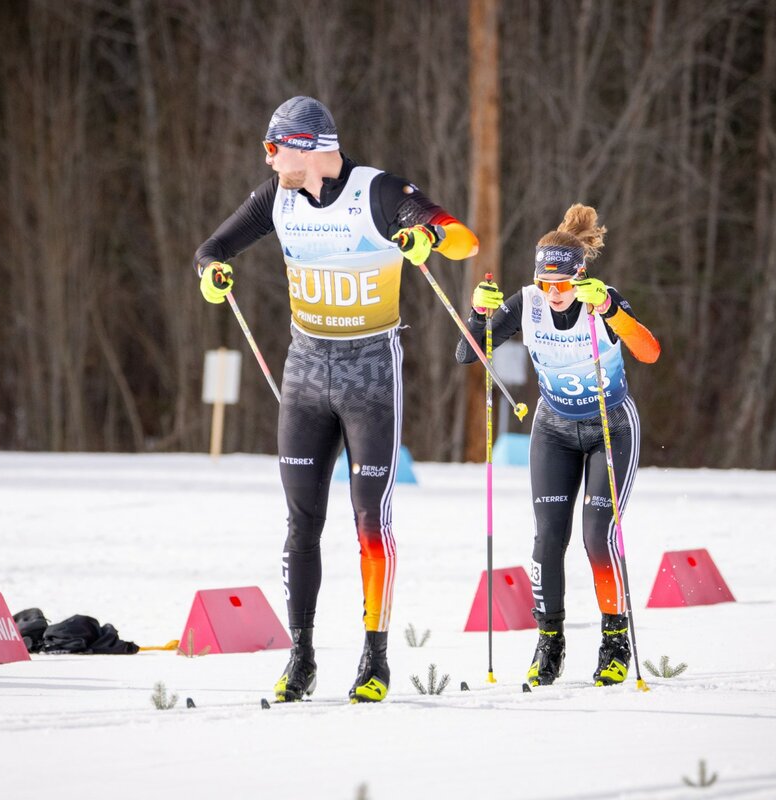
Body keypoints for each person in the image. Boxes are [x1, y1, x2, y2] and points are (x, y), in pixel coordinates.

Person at [193, 96, 479, 703]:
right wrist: (211, 273)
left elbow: (465, 241)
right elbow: (212, 247)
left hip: (370, 374)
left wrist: (428, 236)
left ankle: (375, 659)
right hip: (305, 376)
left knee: (371, 519)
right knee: (301, 523)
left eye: (275, 147)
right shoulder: (278, 198)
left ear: (309, 147)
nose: (268, 159)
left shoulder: (377, 192)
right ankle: (301, 658)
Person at [454, 204, 660, 687]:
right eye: (545, 283)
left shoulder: (602, 300)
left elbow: (649, 352)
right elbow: (468, 352)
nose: (553, 293)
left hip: (611, 427)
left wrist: (610, 311)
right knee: (547, 539)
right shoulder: (526, 303)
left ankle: (615, 642)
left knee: (597, 536)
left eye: (562, 284)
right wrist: (478, 313)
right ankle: (550, 643)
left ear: (580, 276)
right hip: (554, 430)